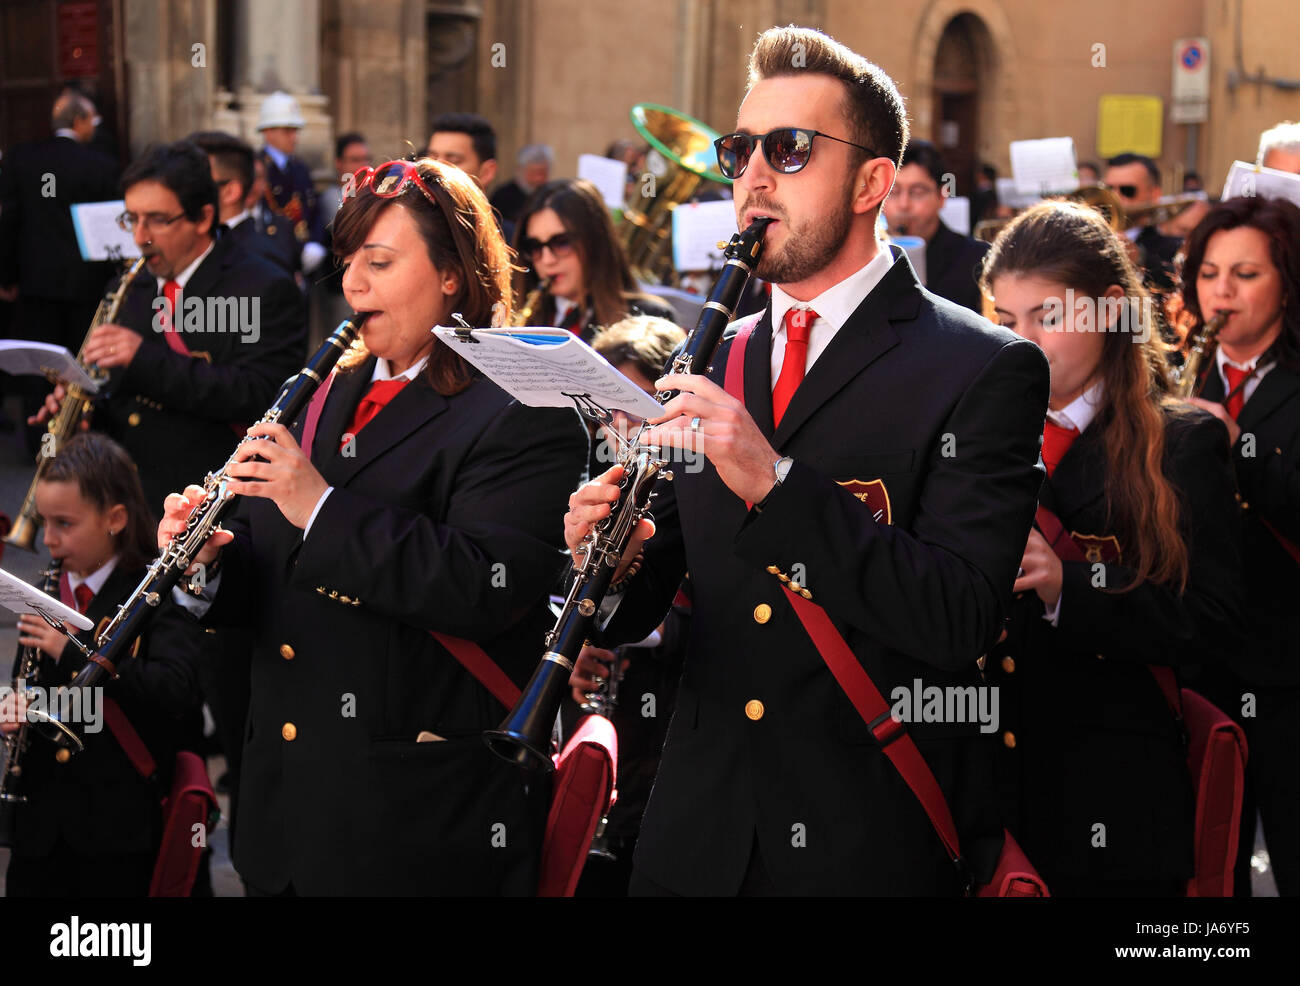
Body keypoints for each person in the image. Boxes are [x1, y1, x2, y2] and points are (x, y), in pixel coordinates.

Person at [564, 25, 1049, 896]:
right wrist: (611, 554)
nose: (753, 174)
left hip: (861, 841)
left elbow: (957, 619)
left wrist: (777, 485)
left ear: (872, 181)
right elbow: (654, 597)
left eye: (789, 149)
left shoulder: (984, 366)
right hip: (697, 838)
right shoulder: (713, 353)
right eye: (738, 150)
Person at [157, 157, 589, 896]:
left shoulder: (524, 404)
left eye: (380, 262)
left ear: (453, 274)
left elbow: (484, 585)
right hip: (287, 807)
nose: (352, 283)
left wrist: (318, 504)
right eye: (351, 259)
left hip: (410, 817)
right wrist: (206, 568)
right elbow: (275, 573)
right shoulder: (326, 388)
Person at [979, 200, 1244, 897]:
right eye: (1006, 321)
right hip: (989, 784)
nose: (1023, 342)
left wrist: (1068, 586)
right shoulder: (977, 433)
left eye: (1049, 317)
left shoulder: (1181, 442)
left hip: (1112, 802)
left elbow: (1212, 622)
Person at [32, 140, 307, 515]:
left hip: (212, 504)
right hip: (128, 498)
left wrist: (143, 358)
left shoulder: (263, 286)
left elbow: (262, 396)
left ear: (204, 218)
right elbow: (122, 395)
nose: (139, 237)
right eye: (132, 218)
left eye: (157, 220)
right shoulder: (129, 286)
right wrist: (82, 408)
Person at [1, 433, 203, 896]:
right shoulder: (49, 589)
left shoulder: (156, 590)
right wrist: (19, 709)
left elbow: (177, 692)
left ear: (114, 518)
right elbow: (39, 688)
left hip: (120, 830)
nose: (47, 540)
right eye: (43, 522)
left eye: (65, 524)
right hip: (42, 829)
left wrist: (72, 651)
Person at [1179, 195, 1300, 897]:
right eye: (1209, 273)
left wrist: (1235, 445)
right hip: (1202, 656)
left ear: (1286, 281)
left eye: (1246, 274)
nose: (1221, 291)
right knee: (1209, 861)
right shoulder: (1182, 370)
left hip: (1285, 667)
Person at [0, 90, 120, 453]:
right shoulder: (100, 164)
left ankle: (42, 444)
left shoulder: (22, 159)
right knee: (83, 364)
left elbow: (9, 221)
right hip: (87, 287)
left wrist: (6, 278)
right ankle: (80, 443)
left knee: (41, 365)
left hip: (36, 284)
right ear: (79, 122)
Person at [513, 178, 675, 343]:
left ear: (595, 239)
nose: (547, 260)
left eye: (561, 242)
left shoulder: (649, 317)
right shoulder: (524, 319)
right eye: (534, 245)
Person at [884, 139, 989, 313]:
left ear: (942, 196)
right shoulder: (868, 256)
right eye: (893, 192)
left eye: (917, 192)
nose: (903, 205)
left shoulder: (978, 260)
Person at [188, 130, 298, 276]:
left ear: (230, 192)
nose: (183, 190)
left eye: (195, 182)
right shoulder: (189, 247)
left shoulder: (262, 263)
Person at [256, 91, 326, 276]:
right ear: (268, 132)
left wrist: (316, 243)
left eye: (295, 131)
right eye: (287, 131)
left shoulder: (300, 168)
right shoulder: (258, 168)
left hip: (302, 258)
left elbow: (314, 210)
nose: (294, 137)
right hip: (273, 259)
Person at [425, 113, 511, 239]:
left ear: (487, 172)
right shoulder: (409, 229)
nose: (436, 168)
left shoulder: (509, 240)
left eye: (453, 161)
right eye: (432, 158)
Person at [1104, 152, 1180, 291]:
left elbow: (1176, 286)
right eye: (1109, 190)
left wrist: (1140, 258)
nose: (1115, 198)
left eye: (1127, 190)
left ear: (1154, 194)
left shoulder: (1172, 246)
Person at [490, 143, 553, 225]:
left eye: (542, 173)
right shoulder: (502, 196)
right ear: (520, 170)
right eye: (533, 172)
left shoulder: (551, 196)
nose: (538, 179)